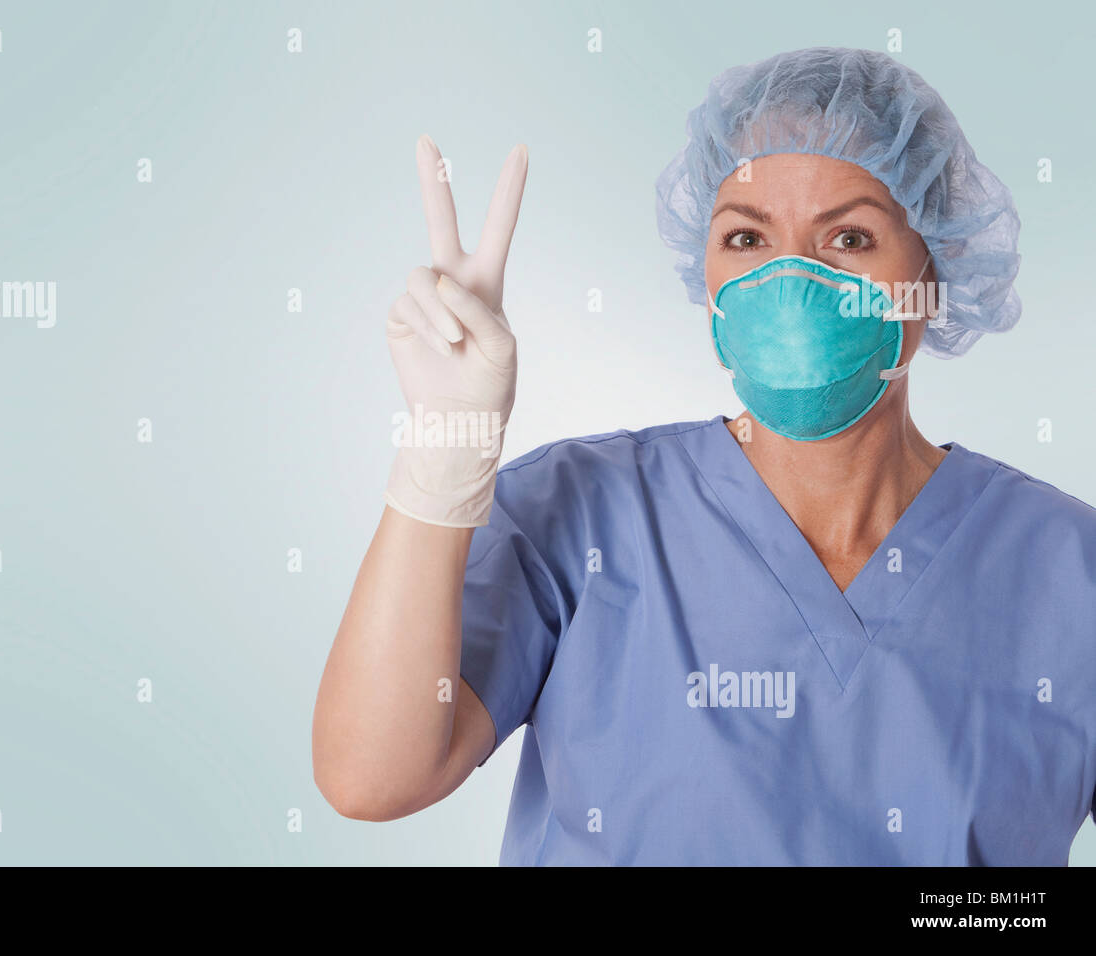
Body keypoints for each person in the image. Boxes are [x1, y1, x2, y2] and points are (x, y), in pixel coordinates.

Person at [312, 46, 1096, 865]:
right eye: (749, 237)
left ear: (933, 272)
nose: (791, 282)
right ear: (707, 268)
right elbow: (371, 779)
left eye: (851, 237)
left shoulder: (1068, 570)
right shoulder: (579, 514)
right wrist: (445, 444)